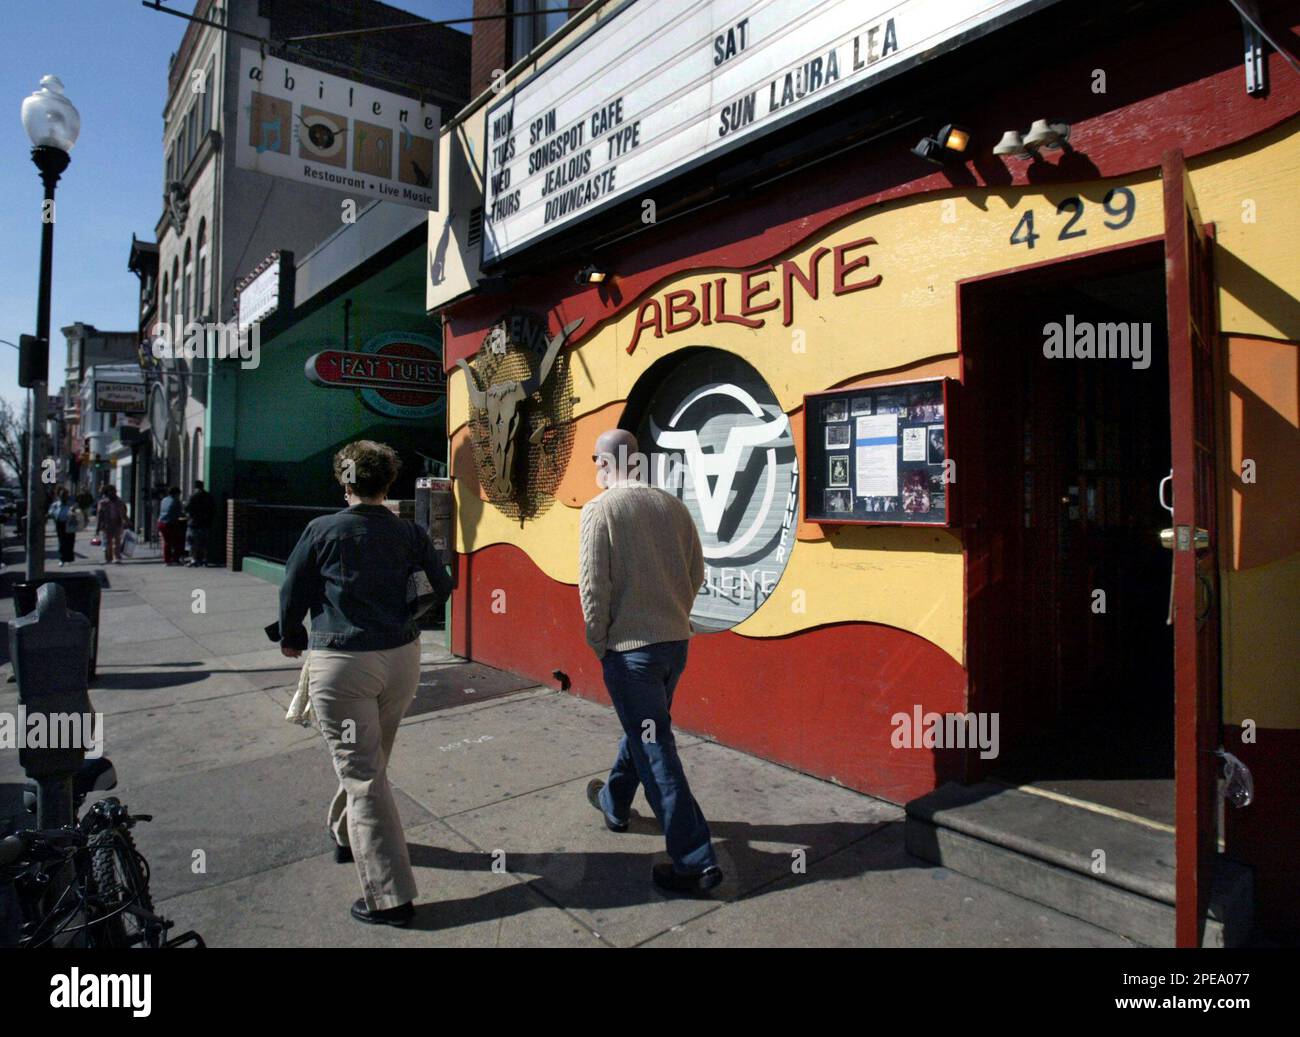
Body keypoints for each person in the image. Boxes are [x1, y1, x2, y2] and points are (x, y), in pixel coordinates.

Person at [279, 440, 452, 927]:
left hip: (343, 663)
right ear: (387, 483)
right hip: (401, 658)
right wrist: (406, 612)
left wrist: (292, 635)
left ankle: (391, 896)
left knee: (363, 773)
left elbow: (293, 589)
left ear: (345, 481)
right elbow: (440, 586)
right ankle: (344, 833)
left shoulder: (322, 529)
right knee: (369, 762)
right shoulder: (410, 533)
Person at [579, 428, 723, 895]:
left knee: (655, 744)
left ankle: (695, 860)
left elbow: (593, 588)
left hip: (630, 652)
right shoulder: (672, 506)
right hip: (674, 645)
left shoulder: (600, 510)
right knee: (646, 729)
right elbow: (697, 572)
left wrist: (598, 642)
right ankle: (615, 803)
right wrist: (675, 613)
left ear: (604, 462)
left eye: (594, 462)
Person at [95, 485, 129, 565]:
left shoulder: (119, 502)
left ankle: (116, 557)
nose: (113, 494)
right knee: (107, 542)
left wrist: (127, 521)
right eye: (110, 492)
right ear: (107, 493)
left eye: (114, 492)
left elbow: (123, 513)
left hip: (117, 523)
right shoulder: (103, 503)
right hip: (106, 524)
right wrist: (98, 527)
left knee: (116, 541)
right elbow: (99, 515)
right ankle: (108, 558)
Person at [184, 479, 214, 567]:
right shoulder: (209, 496)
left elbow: (186, 507)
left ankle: (194, 560)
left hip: (194, 523)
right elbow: (213, 509)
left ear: (195, 487)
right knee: (204, 542)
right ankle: (205, 559)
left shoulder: (193, 496)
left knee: (192, 543)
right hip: (206, 523)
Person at [49, 487, 78, 566]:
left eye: (65, 495)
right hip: (60, 524)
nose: (63, 497)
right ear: (59, 496)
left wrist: (74, 512)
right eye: (62, 495)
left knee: (70, 541)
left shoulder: (71, 504)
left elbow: (77, 513)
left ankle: (68, 558)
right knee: (62, 542)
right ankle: (62, 559)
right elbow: (51, 513)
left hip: (69, 524)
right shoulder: (55, 505)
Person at [157, 486, 185, 565]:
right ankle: (175, 559)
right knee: (177, 541)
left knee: (167, 542)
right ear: (176, 494)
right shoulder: (176, 501)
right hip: (169, 523)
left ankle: (167, 560)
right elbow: (180, 513)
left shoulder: (164, 500)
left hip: (161, 522)